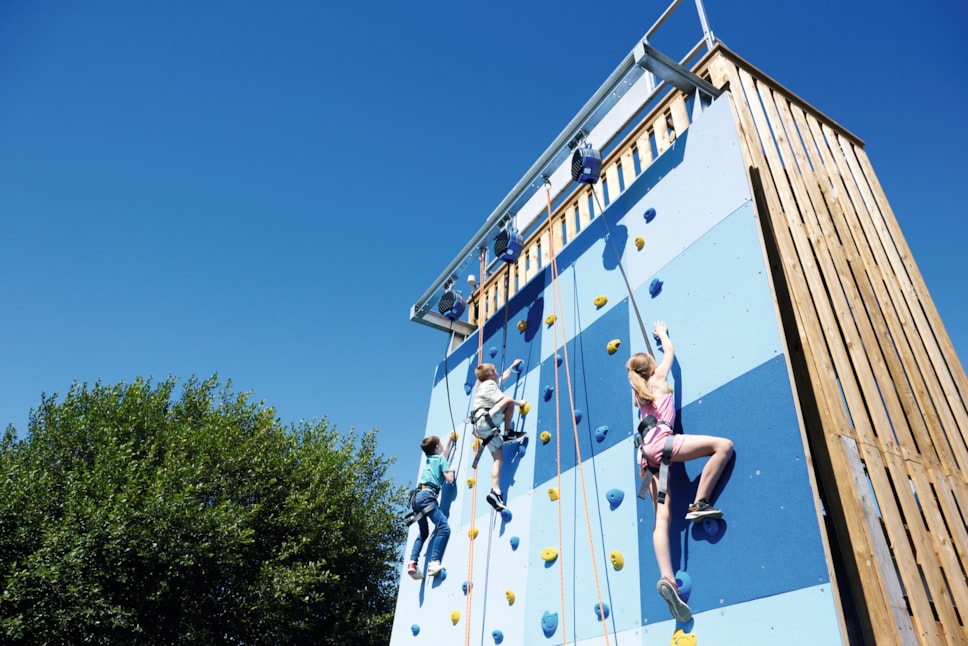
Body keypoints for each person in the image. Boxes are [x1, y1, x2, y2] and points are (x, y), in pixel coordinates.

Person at [627, 321, 734, 623]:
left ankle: (667, 578)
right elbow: (671, 354)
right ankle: (700, 503)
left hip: (644, 458)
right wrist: (662, 336)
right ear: (651, 367)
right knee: (723, 446)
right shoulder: (658, 377)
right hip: (664, 444)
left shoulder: (638, 397)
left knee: (662, 518)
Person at [471, 359, 527, 512]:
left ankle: (495, 492)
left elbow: (501, 378)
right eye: (495, 371)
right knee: (508, 400)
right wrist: (519, 403)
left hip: (483, 428)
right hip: (486, 422)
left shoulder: (485, 386)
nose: (497, 374)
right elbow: (503, 399)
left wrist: (511, 367)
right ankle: (509, 433)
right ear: (490, 374)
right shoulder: (489, 386)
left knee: (498, 459)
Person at [406, 432, 457, 579]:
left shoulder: (430, 459)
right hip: (428, 497)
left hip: (416, 498)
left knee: (423, 533)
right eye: (440, 444)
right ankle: (434, 563)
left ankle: (412, 563)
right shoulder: (440, 460)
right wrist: (451, 471)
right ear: (436, 446)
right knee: (444, 528)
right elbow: (449, 479)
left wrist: (448, 441)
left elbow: (442, 456)